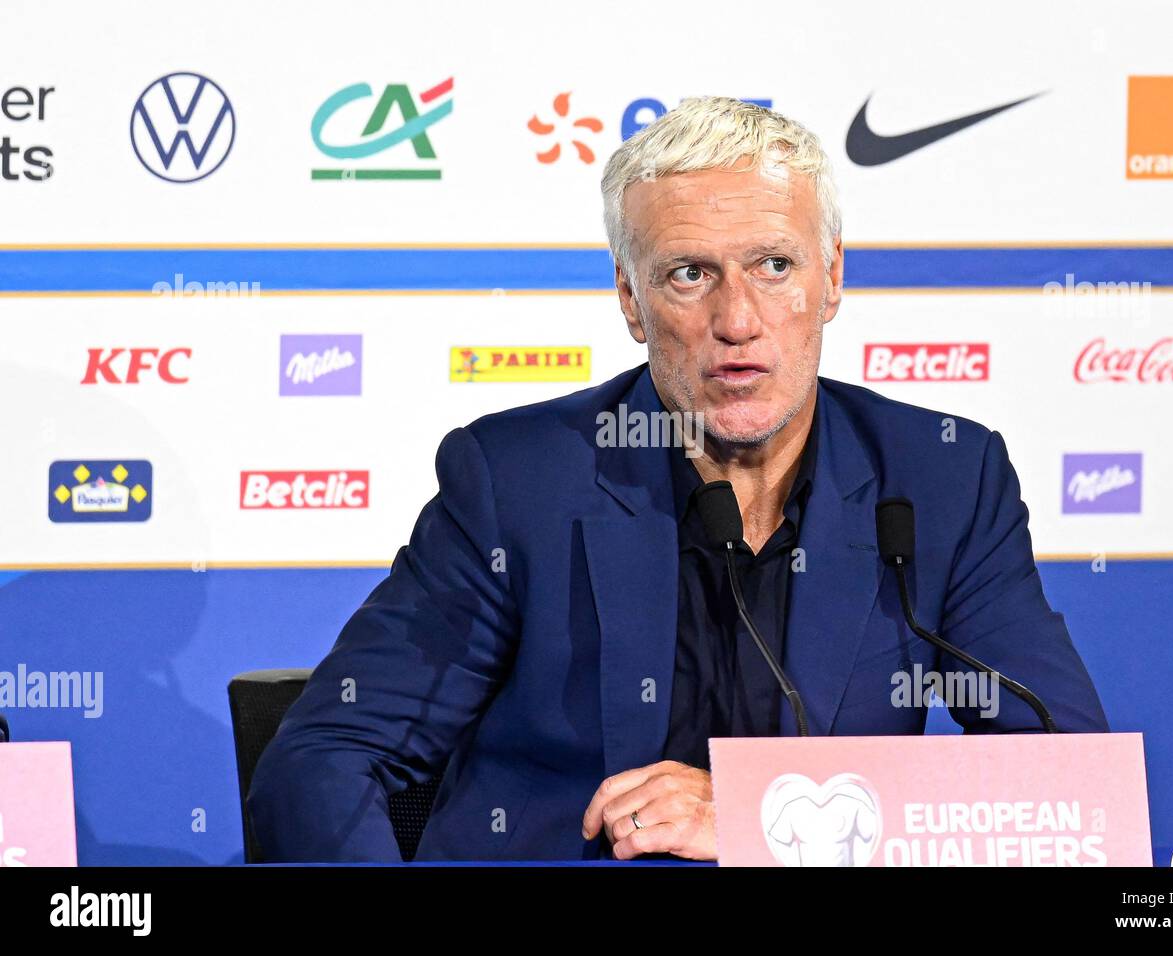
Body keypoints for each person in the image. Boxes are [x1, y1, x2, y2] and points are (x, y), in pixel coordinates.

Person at [248, 96, 1107, 863]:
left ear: (833, 275)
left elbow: (1069, 790)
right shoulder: (520, 483)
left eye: (775, 266)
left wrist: (760, 815)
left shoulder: (943, 477)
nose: (737, 320)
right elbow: (325, 758)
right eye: (689, 274)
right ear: (629, 298)